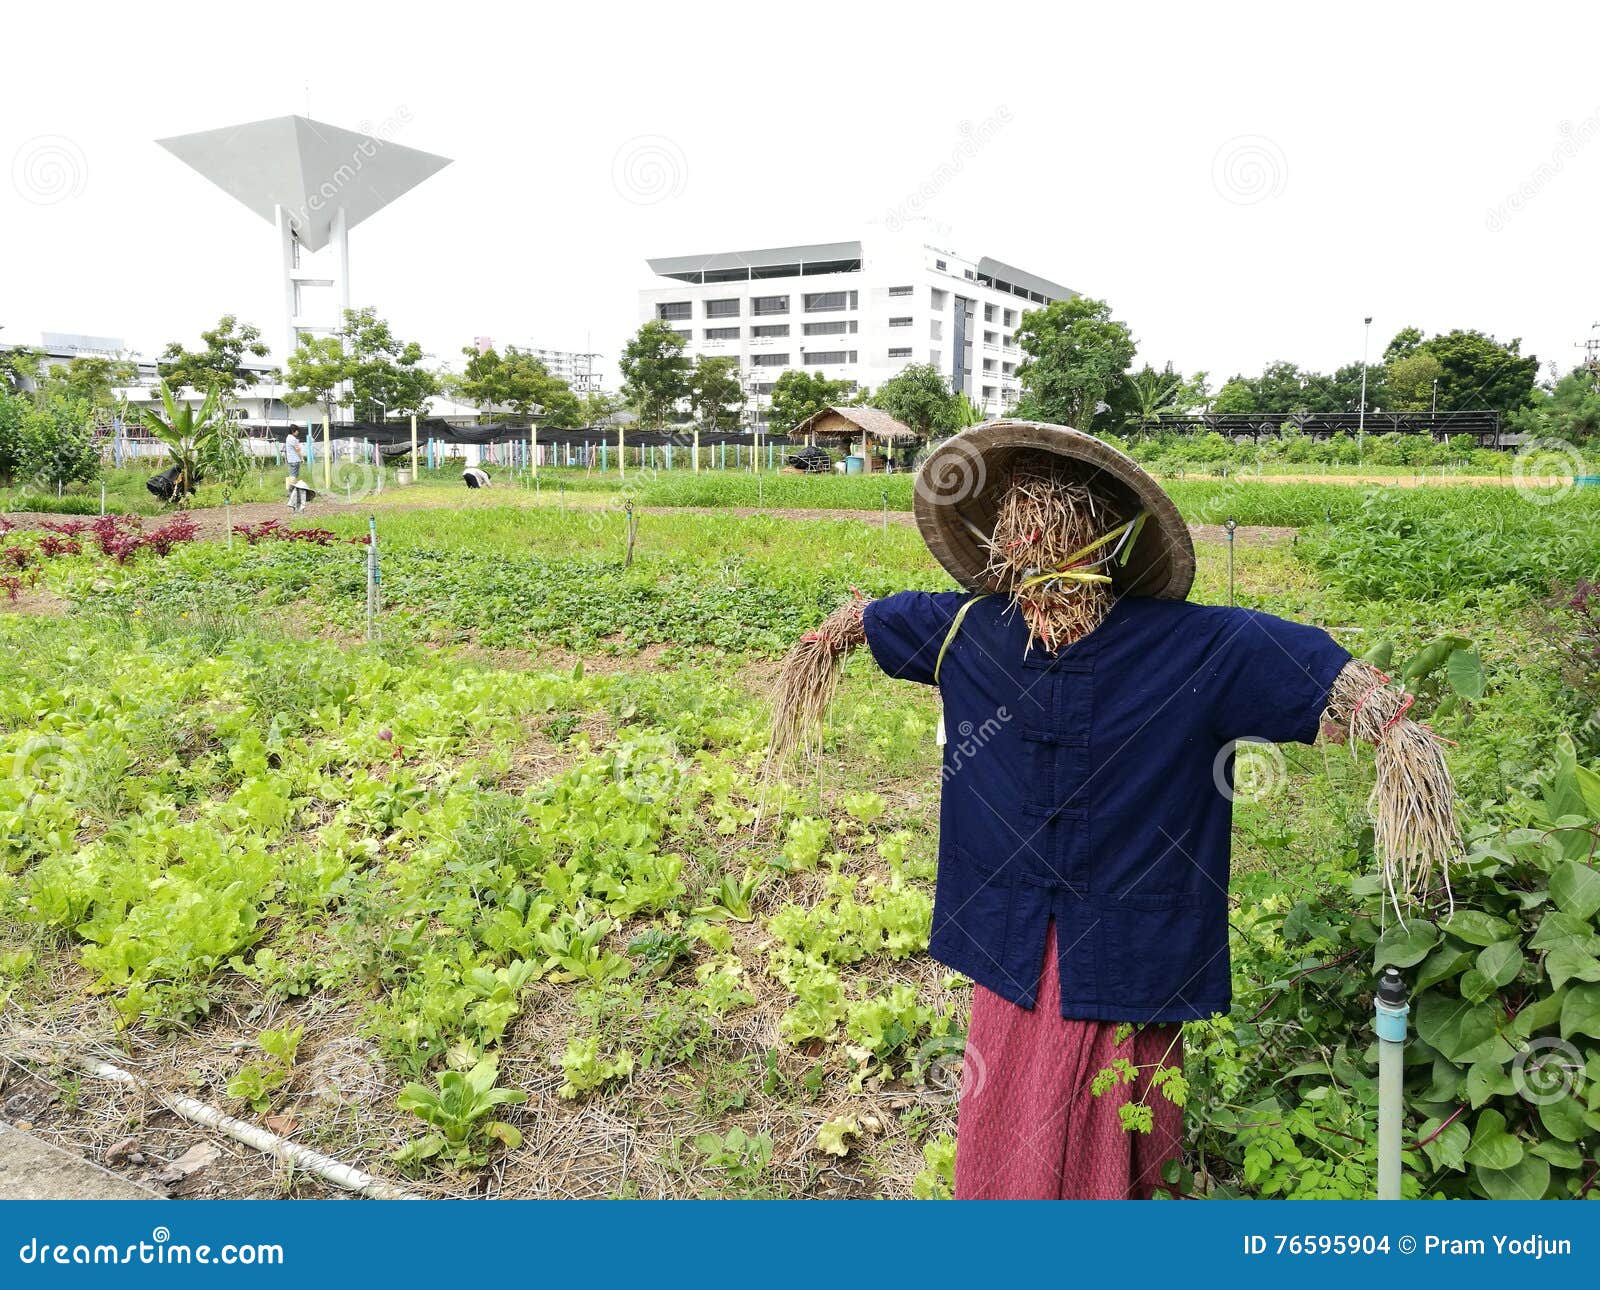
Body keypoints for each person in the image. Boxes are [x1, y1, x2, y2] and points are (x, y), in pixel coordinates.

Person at [769, 420, 1458, 1200]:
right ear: (1000, 540)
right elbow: (877, 619)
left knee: (1122, 1113)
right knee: (1013, 1102)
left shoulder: (1197, 646)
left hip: (1133, 939)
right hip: (1012, 934)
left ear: (1099, 536)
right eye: (1019, 519)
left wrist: (1393, 732)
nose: (1033, 534)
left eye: (1050, 517)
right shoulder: (970, 630)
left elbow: (1316, 670)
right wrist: (824, 640)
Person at [284, 429, 304, 509]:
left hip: (290, 459)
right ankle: (291, 491)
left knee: (292, 475)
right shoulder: (293, 439)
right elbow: (297, 450)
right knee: (293, 476)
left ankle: (290, 490)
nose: (298, 432)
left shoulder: (288, 438)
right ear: (294, 431)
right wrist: (302, 458)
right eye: (297, 431)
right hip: (295, 459)